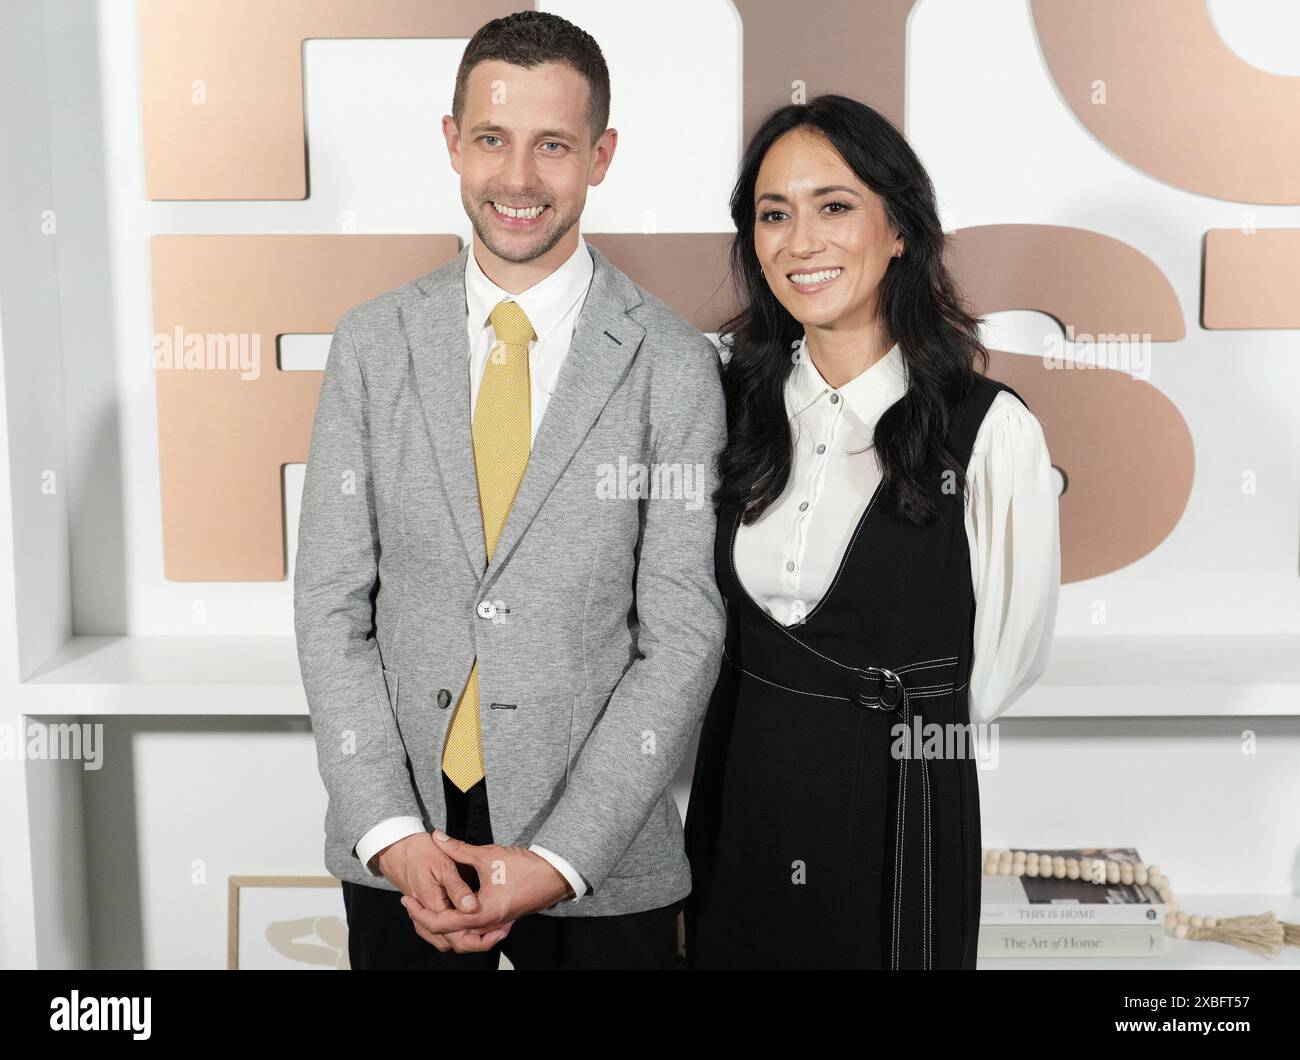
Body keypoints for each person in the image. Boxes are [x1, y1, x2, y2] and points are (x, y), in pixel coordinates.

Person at [293, 11, 725, 970]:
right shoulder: (372, 346)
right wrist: (388, 831)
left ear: (600, 156)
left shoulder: (674, 365)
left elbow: (683, 632)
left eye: (554, 146)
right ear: (453, 144)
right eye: (492, 139)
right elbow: (330, 605)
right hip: (405, 853)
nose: (519, 179)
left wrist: (561, 856)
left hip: (601, 866)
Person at [683, 94, 1061, 969]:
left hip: (905, 807)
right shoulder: (721, 406)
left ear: (899, 230)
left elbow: (1005, 661)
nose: (800, 240)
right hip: (742, 795)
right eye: (774, 215)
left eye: (835, 206)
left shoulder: (989, 431)